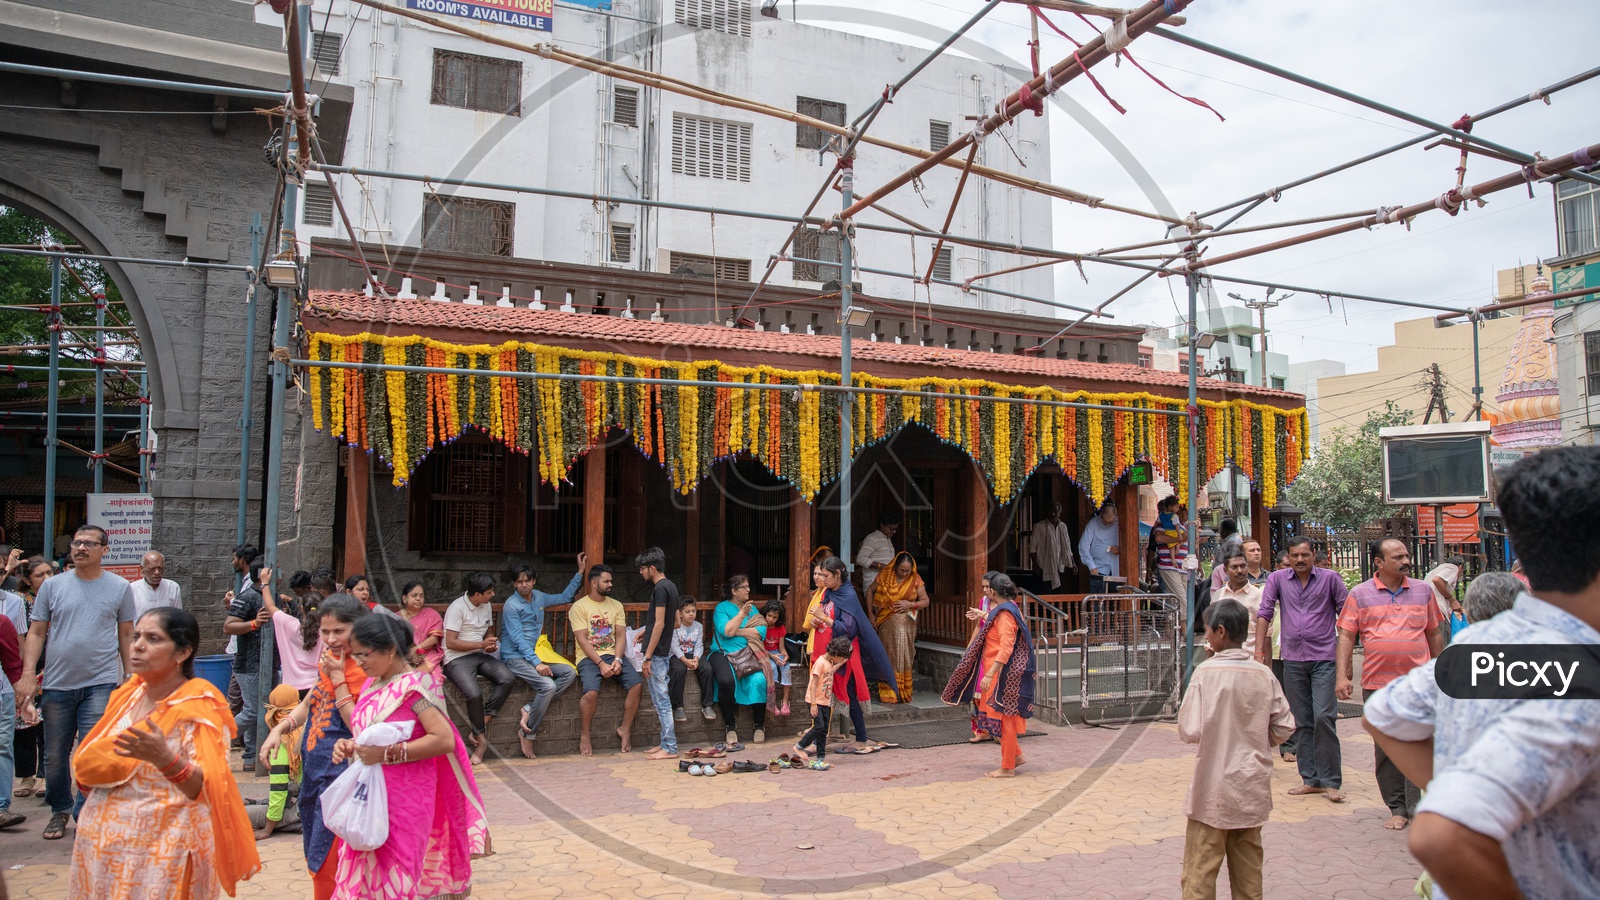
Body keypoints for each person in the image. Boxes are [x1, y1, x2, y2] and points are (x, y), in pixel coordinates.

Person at [1363, 446, 1600, 900]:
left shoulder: (1480, 643)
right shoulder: (1579, 677)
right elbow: (1443, 836)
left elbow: (1385, 714)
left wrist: (1447, 785)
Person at [69, 607, 260, 898]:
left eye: (153, 638)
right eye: (136, 637)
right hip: (102, 848)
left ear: (182, 652)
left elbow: (209, 788)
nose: (138, 645)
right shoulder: (128, 695)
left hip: (164, 852)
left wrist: (164, 759)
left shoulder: (199, 706)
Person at [329, 614, 491, 899]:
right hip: (367, 799)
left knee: (397, 882)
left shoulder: (415, 687)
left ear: (390, 649)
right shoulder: (371, 685)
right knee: (362, 880)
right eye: (355, 655)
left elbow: (443, 739)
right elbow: (369, 731)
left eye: (364, 654)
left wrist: (386, 754)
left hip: (406, 802)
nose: (359, 662)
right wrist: (352, 746)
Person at [17, 524, 136, 840]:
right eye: (77, 543)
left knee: (92, 751)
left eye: (89, 543)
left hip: (100, 682)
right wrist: (28, 674)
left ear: (104, 550)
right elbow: (37, 632)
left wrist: (130, 676)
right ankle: (59, 809)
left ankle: (85, 812)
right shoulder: (52, 587)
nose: (80, 548)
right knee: (55, 755)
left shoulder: (120, 587)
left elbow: (127, 634)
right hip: (57, 684)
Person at [1177, 599, 1296, 900]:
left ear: (1220, 631)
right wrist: (1256, 738)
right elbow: (1285, 726)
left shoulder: (1205, 673)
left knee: (1199, 875)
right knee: (1249, 877)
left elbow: (1189, 729)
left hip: (1212, 789)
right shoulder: (1263, 674)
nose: (1206, 636)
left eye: (1207, 630)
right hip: (1251, 787)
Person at [258, 594, 369, 900]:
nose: (330, 639)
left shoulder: (365, 670)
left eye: (339, 631)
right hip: (315, 775)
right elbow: (311, 701)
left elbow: (360, 726)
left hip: (342, 779)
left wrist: (339, 678)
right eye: (325, 631)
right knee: (317, 852)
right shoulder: (329, 661)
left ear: (359, 628)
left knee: (332, 860)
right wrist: (280, 729)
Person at [1335, 538, 1446, 830]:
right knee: (1387, 747)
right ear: (1379, 562)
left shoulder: (1423, 590)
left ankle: (1416, 807)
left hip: (1418, 684)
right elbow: (1347, 635)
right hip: (1377, 684)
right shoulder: (1360, 593)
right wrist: (1342, 676)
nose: (1406, 561)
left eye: (1406, 555)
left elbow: (1434, 633)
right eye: (1398, 557)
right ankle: (1397, 807)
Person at [1254, 536, 1349, 803]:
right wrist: (1259, 652)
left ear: (1313, 554)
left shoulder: (1330, 579)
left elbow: (1348, 617)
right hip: (1293, 659)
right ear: (1288, 556)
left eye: (1304, 555)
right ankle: (1310, 779)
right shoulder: (1278, 579)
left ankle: (1331, 781)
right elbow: (1264, 612)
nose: (1299, 560)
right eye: (1294, 555)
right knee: (1302, 721)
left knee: (1324, 717)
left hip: (1324, 659)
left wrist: (1345, 664)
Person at [941, 573, 1036, 778]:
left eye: (987, 588)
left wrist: (990, 674)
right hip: (997, 672)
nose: (985, 591)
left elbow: (1006, 648)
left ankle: (1007, 767)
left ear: (993, 591)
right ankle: (1016, 756)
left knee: (1005, 719)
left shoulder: (1006, 614)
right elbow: (994, 621)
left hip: (1002, 674)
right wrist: (982, 615)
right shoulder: (1003, 610)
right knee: (998, 716)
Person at [808, 557, 900, 753]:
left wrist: (823, 617)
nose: (822, 579)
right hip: (828, 653)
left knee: (849, 693)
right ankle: (820, 740)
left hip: (844, 655)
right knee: (825, 694)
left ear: (837, 574)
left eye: (826, 575)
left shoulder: (848, 594)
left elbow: (848, 629)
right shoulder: (829, 592)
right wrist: (818, 621)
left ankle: (860, 738)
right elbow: (829, 616)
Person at [499, 555, 587, 758]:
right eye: (519, 582)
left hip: (534, 655)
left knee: (569, 672)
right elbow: (518, 640)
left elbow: (564, 597)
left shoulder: (539, 597)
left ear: (534, 581)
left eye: (527, 581)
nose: (524, 585)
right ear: (514, 584)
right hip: (514, 657)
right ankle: (528, 733)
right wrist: (537, 663)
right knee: (548, 686)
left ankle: (529, 708)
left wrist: (580, 572)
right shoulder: (511, 606)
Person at [442, 573, 515, 765]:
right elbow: (450, 643)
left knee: (507, 678)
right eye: (489, 592)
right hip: (455, 658)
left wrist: (489, 643)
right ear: (477, 594)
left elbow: (488, 630)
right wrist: (481, 645)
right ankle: (481, 742)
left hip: (478, 654)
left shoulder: (486, 604)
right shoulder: (457, 608)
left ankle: (481, 721)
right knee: (474, 694)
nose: (493, 595)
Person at [569, 565, 642, 756]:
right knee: (591, 692)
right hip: (588, 657)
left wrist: (618, 659)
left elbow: (620, 635)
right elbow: (582, 640)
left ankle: (625, 729)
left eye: (610, 581)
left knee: (636, 685)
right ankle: (585, 735)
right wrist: (600, 664)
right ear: (594, 583)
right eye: (606, 581)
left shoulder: (616, 605)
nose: (610, 584)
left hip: (612, 654)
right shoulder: (579, 607)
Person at [707, 575, 769, 747]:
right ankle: (730, 726)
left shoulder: (752, 609)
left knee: (759, 680)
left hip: (748, 653)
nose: (748, 590)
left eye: (748, 586)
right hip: (723, 653)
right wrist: (742, 615)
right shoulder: (722, 608)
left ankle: (759, 725)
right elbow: (726, 631)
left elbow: (761, 632)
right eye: (744, 587)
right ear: (734, 591)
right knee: (726, 681)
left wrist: (738, 631)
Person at [222, 550, 269, 771]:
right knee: (253, 711)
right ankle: (215, 738)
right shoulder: (247, 597)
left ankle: (250, 756)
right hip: (249, 665)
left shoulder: (271, 596)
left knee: (258, 710)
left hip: (265, 664)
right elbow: (228, 626)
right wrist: (253, 624)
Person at [635, 547, 683, 762]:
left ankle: (670, 746)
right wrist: (646, 631)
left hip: (657, 654)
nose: (641, 572)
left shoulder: (660, 589)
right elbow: (677, 622)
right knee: (661, 700)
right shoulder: (671, 586)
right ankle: (665, 742)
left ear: (652, 568)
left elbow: (661, 623)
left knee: (662, 701)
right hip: (662, 649)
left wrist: (647, 656)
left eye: (642, 568)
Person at [10, 557, 50, 802]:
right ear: (26, 580)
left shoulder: (56, 597)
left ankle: (45, 775)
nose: (46, 579)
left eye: (49, 573)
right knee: (22, 726)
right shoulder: (19, 602)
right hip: (24, 669)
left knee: (47, 725)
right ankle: (26, 776)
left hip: (51, 668)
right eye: (39, 575)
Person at [870, 551, 928, 703]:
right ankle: (889, 691)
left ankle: (904, 690)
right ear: (895, 567)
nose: (905, 573)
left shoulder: (915, 579)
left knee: (905, 654)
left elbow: (925, 600)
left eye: (908, 571)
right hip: (885, 621)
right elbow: (870, 591)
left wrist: (910, 604)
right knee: (889, 653)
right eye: (902, 570)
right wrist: (870, 614)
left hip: (907, 623)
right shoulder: (885, 576)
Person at [791, 634, 851, 771]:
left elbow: (830, 671)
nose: (841, 659)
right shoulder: (820, 663)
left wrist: (841, 663)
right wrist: (813, 704)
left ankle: (821, 759)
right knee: (819, 727)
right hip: (815, 701)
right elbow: (813, 684)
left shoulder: (829, 663)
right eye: (841, 657)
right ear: (835, 653)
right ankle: (799, 746)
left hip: (825, 701)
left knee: (823, 731)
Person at [252, 683, 304, 838]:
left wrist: (267, 830)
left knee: (238, 814)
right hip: (316, 800)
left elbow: (278, 792)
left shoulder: (280, 743)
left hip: (305, 809)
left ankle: (292, 824)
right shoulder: (307, 726)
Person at [261, 567, 323, 695]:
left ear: (301, 609)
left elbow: (270, 606)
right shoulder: (327, 632)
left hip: (291, 690)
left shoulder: (288, 624)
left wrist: (264, 584)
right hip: (318, 687)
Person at [669, 596, 715, 722]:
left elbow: (699, 645)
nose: (691, 614)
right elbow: (674, 647)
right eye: (687, 611)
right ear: (680, 613)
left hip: (693, 654)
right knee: (678, 670)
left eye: (693, 611)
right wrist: (685, 660)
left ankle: (707, 705)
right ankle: (678, 706)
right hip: (677, 655)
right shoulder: (676, 626)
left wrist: (696, 658)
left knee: (707, 669)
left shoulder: (698, 626)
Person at [966, 572, 999, 744]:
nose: (985, 590)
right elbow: (979, 627)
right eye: (983, 586)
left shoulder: (1007, 605)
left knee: (996, 692)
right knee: (978, 691)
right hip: (982, 652)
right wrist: (970, 648)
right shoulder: (983, 602)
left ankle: (1000, 731)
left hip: (998, 654)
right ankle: (982, 730)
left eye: (988, 587)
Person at [1211, 553, 1264, 658]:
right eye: (1234, 567)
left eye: (1243, 566)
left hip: (1249, 659)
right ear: (1225, 571)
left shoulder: (1258, 596)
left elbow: (1266, 635)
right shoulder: (1218, 596)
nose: (1240, 570)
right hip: (1222, 659)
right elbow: (1212, 632)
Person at [395, 581, 445, 678]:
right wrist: (409, 655)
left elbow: (433, 639)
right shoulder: (396, 617)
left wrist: (414, 650)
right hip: (403, 657)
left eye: (421, 596)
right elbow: (394, 643)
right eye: (414, 595)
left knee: (435, 678)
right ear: (404, 598)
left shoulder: (432, 614)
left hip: (427, 656)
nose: (418, 598)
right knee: (402, 678)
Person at [0, 602, 21, 830]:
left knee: (2, 747)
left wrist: (25, 700)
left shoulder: (2, 622)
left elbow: (13, 664)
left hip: (3, 695)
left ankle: (0, 808)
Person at [1029, 501, 1075, 591]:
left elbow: (1067, 546)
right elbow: (1032, 548)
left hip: (1060, 565)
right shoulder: (1039, 526)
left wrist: (1072, 563)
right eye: (1051, 511)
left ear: (1059, 513)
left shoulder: (1063, 527)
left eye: (1055, 512)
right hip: (1043, 566)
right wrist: (1035, 565)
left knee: (1059, 593)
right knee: (1046, 593)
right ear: (1047, 511)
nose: (1053, 514)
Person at [854, 511, 900, 598]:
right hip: (873, 587)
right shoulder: (872, 539)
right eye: (891, 528)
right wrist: (882, 566)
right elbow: (860, 559)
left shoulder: (888, 539)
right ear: (882, 525)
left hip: (885, 586)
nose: (894, 531)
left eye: (895, 529)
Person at [1154, 496, 1191, 603]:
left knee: (1182, 601)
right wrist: (1178, 539)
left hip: (1182, 568)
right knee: (1182, 601)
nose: (1187, 516)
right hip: (1169, 566)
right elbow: (1158, 537)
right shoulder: (1164, 522)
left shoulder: (1184, 526)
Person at [1078, 502, 1120, 593]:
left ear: (1115, 516)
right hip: (1098, 568)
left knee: (1116, 599)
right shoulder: (1093, 524)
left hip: (1116, 569)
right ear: (1101, 515)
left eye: (1110, 522)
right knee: (1097, 599)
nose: (1108, 525)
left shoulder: (1119, 524)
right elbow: (1083, 546)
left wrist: (1119, 549)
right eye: (1105, 522)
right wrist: (1091, 566)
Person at [128, 551, 181, 618]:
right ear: (142, 569)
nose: (157, 572)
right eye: (152, 568)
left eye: (160, 568)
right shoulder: (132, 589)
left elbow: (179, 617)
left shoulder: (173, 587)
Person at [761, 600, 792, 715]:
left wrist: (785, 655)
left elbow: (781, 647)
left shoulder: (780, 628)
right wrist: (773, 657)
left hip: (776, 652)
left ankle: (785, 702)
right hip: (764, 653)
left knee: (786, 669)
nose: (771, 619)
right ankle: (771, 702)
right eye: (769, 615)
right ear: (765, 613)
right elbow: (760, 647)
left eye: (774, 617)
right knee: (772, 668)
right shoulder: (761, 627)